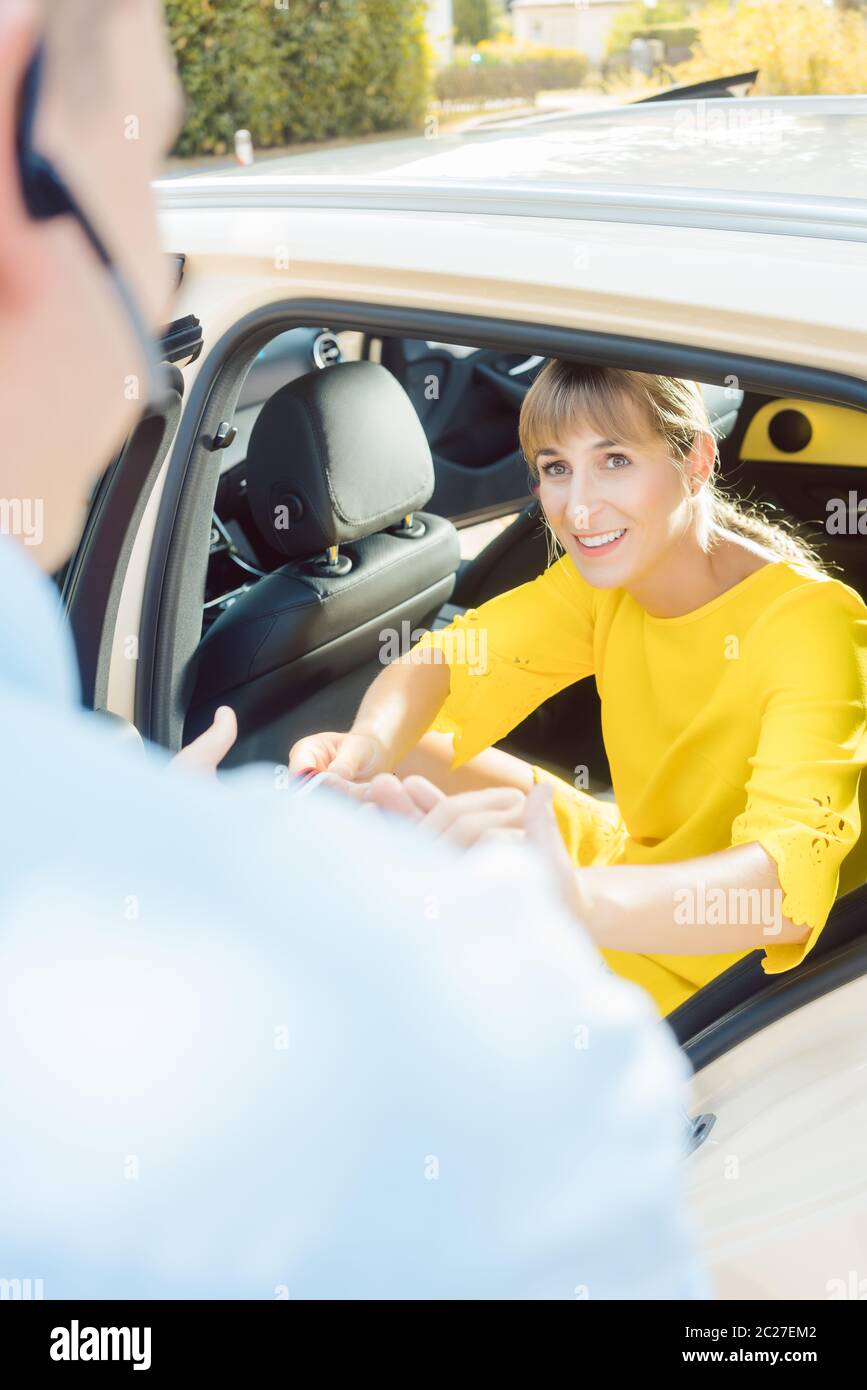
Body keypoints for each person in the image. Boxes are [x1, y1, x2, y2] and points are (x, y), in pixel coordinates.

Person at [0, 0, 708, 1299]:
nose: (154, 265)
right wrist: (487, 928)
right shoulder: (455, 1044)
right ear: (23, 156)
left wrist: (174, 834)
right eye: (152, 165)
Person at [291, 362, 867, 1020]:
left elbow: (775, 892)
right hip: (631, 861)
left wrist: (573, 900)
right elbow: (445, 662)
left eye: (615, 460)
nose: (578, 507)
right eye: (555, 467)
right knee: (394, 754)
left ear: (696, 461)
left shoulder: (812, 624)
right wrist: (363, 748)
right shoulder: (607, 580)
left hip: (722, 958)